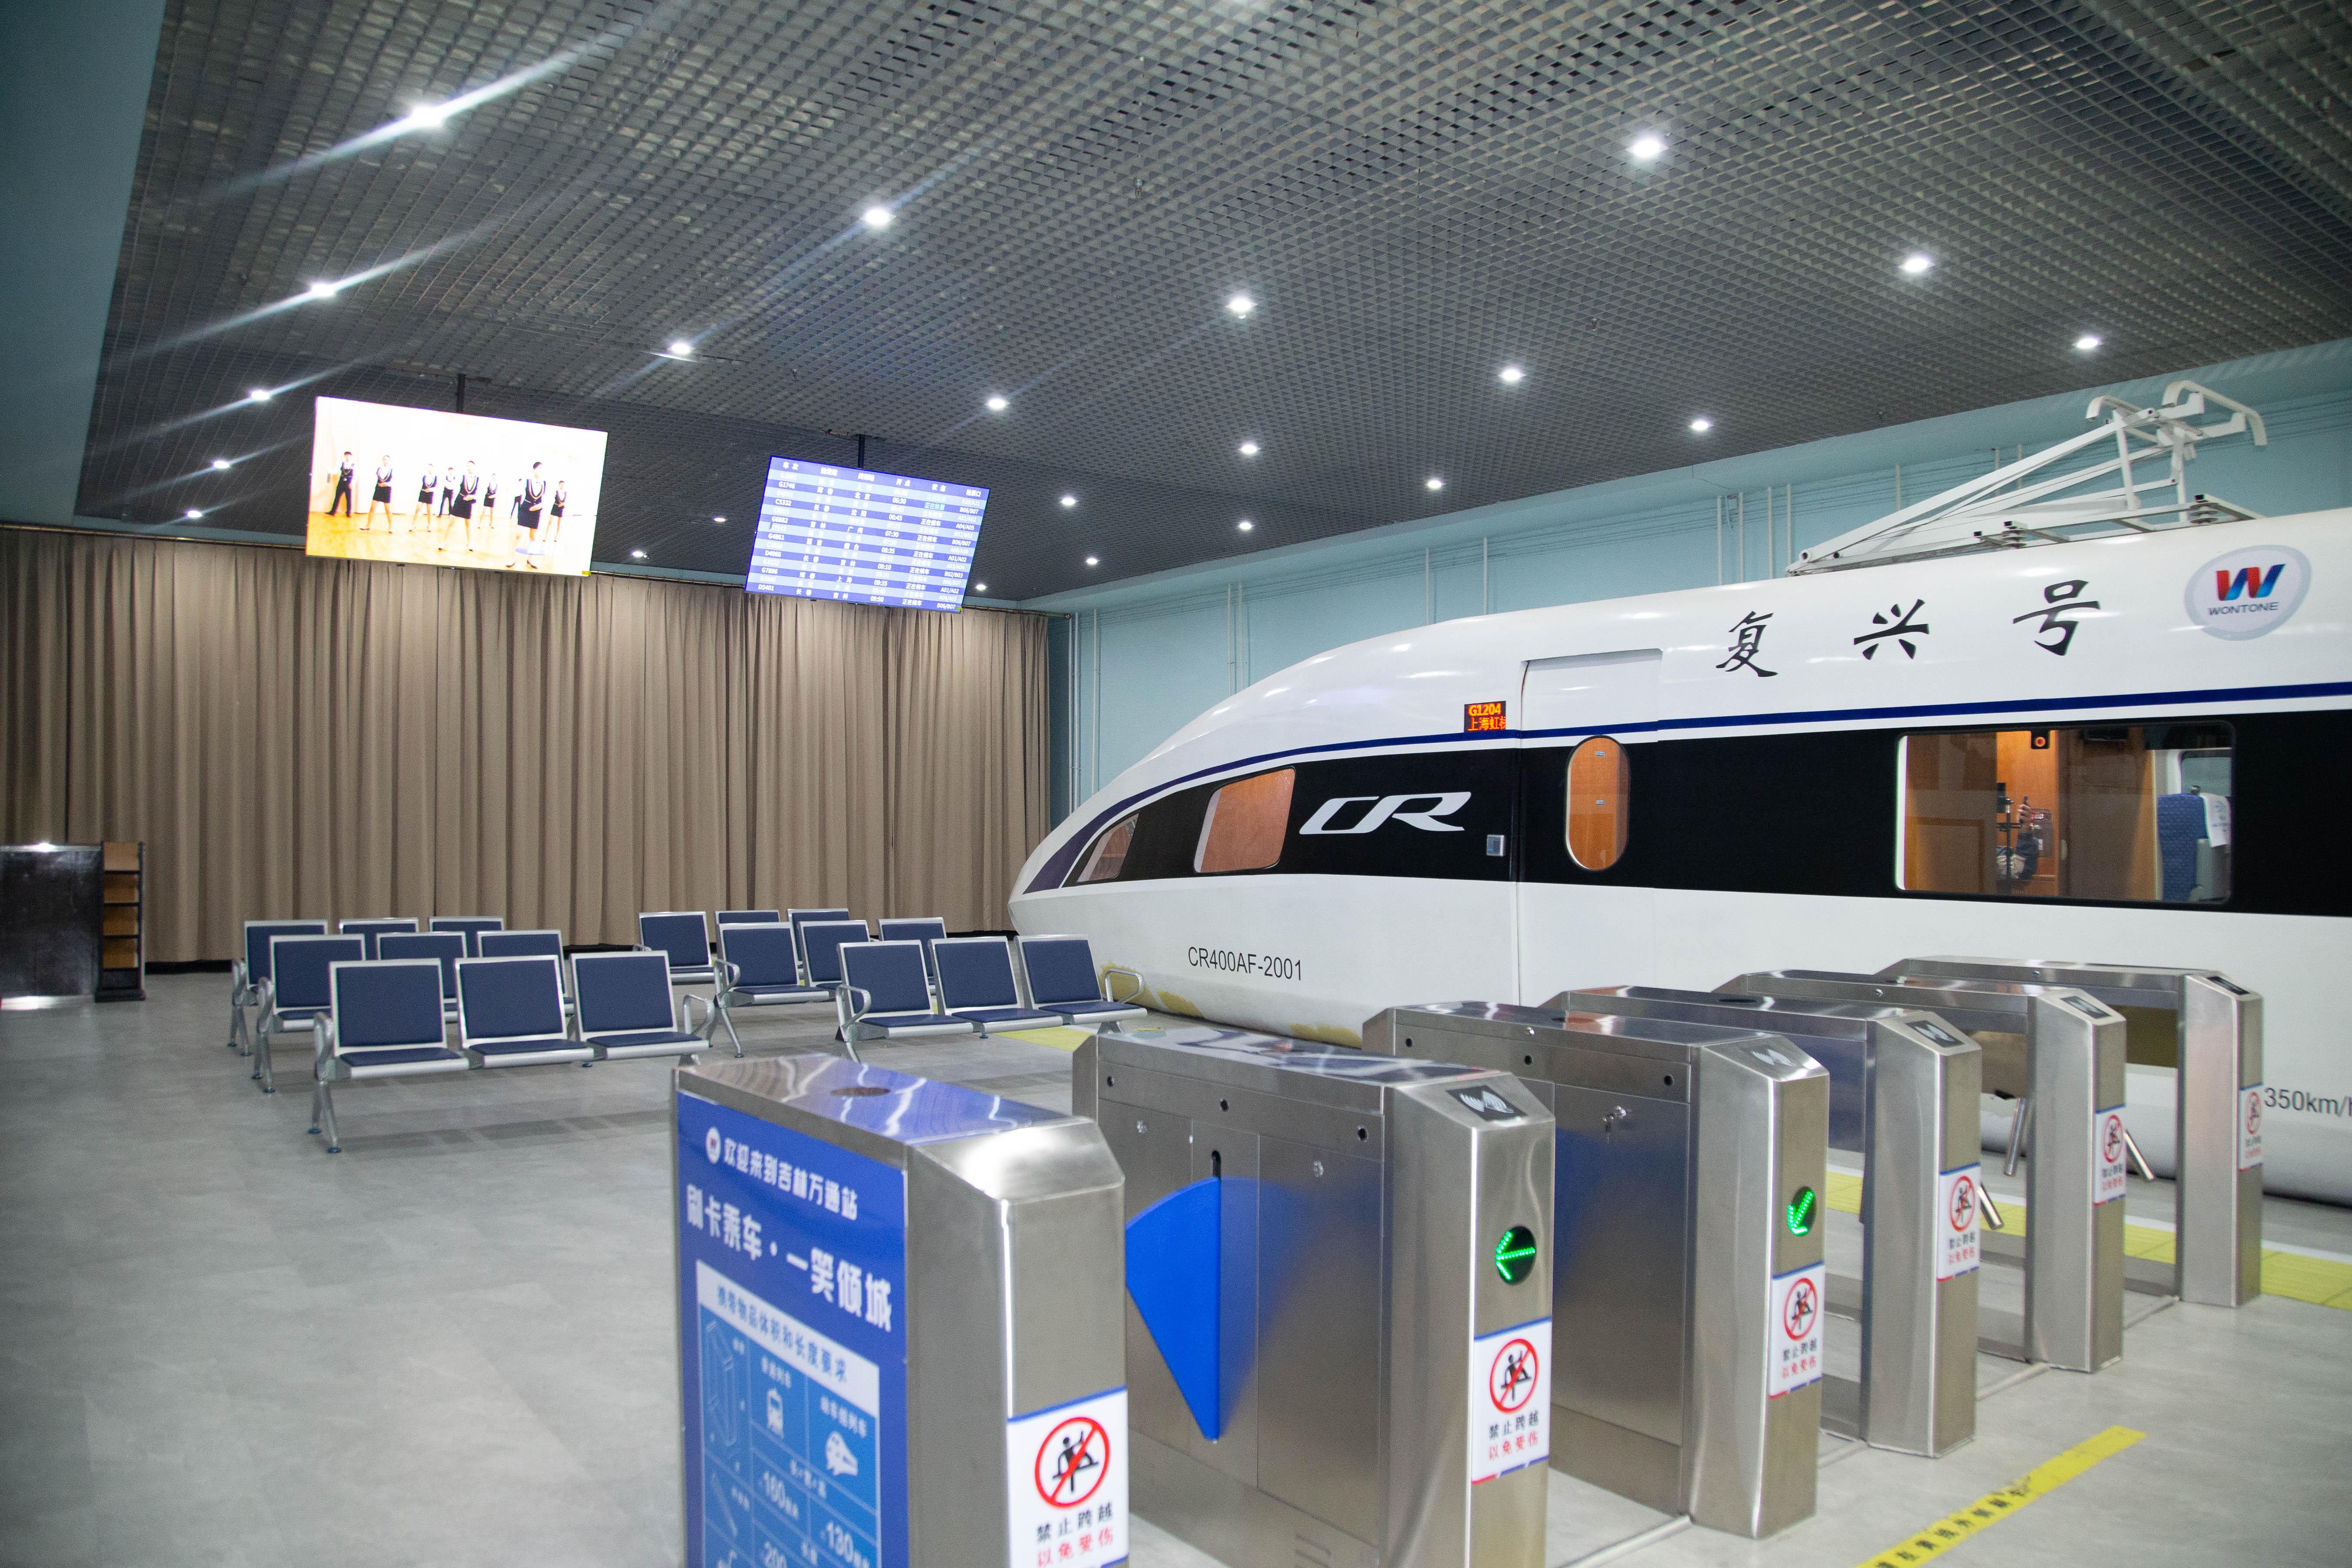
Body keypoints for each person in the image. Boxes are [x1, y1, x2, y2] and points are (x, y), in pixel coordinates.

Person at [513, 463, 548, 569]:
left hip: (537, 511)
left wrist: (541, 506)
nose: (541, 471)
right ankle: (513, 558)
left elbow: (547, 498)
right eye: (539, 469)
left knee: (533, 537)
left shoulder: (544, 483)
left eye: (543, 470)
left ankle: (531, 559)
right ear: (534, 470)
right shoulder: (526, 481)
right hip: (526, 509)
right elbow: (517, 492)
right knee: (519, 534)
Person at [363, 455, 395, 532]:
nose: (386, 461)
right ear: (383, 461)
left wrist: (386, 484)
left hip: (387, 490)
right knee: (372, 508)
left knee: (388, 510)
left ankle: (391, 526)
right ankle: (368, 526)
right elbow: (370, 476)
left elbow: (394, 482)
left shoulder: (392, 470)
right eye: (385, 459)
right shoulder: (379, 469)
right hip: (378, 489)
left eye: (387, 460)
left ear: (389, 461)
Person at [411, 462, 439, 530]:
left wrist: (431, 490)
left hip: (430, 494)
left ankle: (429, 526)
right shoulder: (424, 476)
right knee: (418, 509)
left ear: (433, 469)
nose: (429, 469)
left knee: (429, 511)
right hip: (423, 494)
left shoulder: (435, 477)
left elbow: (436, 487)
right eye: (428, 468)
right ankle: (413, 525)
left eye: (430, 468)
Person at [327, 452, 356, 517]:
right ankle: (333, 512)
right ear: (345, 456)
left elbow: (356, 475)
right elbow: (336, 471)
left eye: (349, 456)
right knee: (337, 497)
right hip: (342, 482)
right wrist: (330, 471)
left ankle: (348, 513)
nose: (347, 457)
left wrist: (352, 483)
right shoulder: (341, 463)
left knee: (349, 498)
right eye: (346, 456)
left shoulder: (354, 465)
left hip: (349, 482)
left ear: (351, 457)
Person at [547, 479, 568, 547]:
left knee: (559, 524)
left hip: (561, 508)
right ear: (559, 485)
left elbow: (565, 501)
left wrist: (563, 504)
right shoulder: (556, 492)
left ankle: (556, 537)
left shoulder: (565, 493)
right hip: (555, 507)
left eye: (563, 485)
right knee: (550, 522)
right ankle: (546, 536)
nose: (562, 486)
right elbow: (551, 498)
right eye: (561, 485)